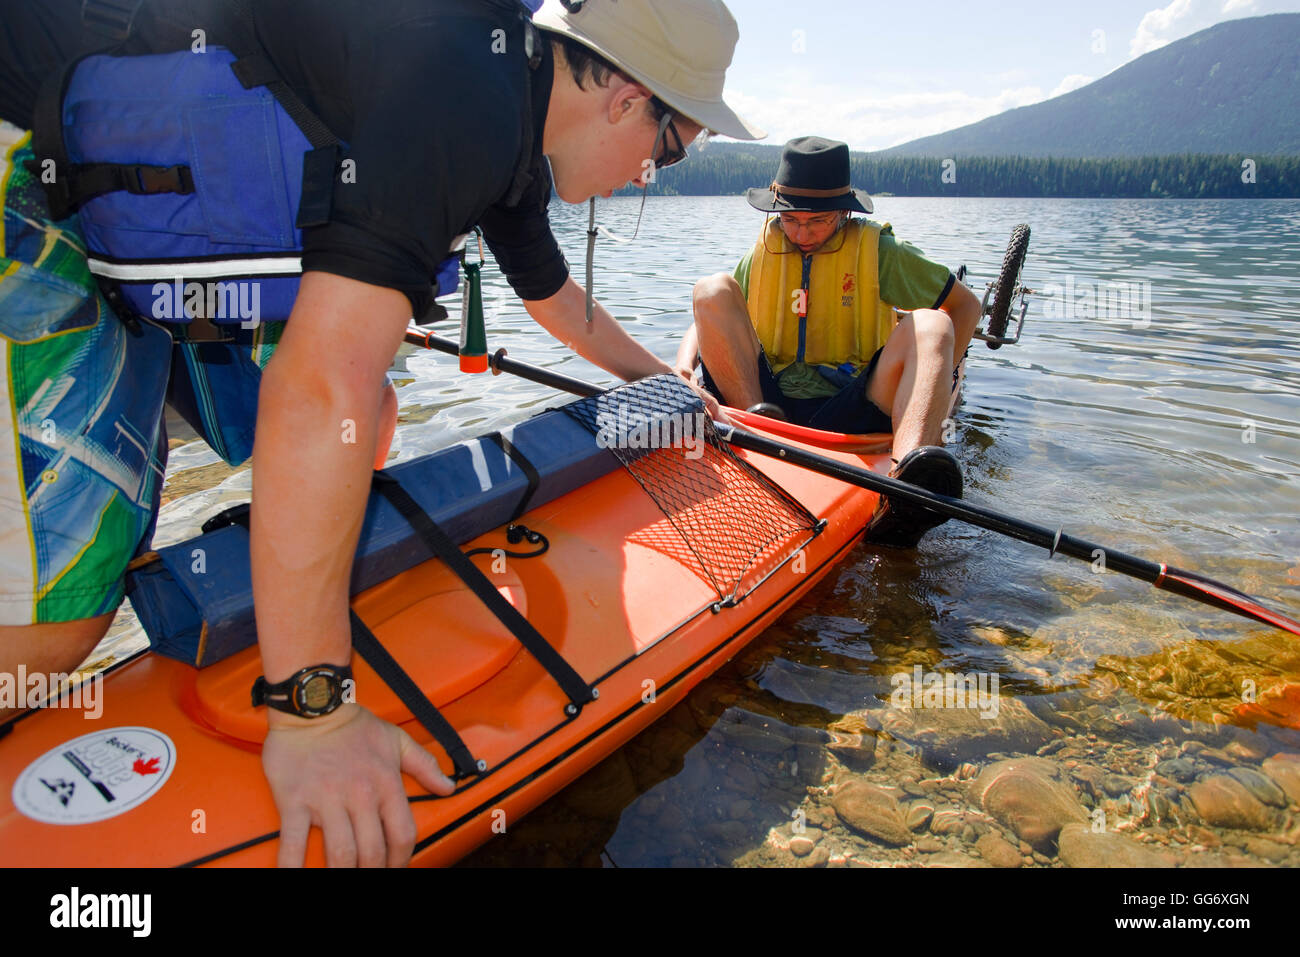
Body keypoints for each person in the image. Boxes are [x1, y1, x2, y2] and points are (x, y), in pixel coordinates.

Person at [0, 0, 762, 866]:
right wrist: (312, 706)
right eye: (671, 148)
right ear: (627, 97)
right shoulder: (465, 89)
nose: (648, 176)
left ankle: (301, 602)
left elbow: (558, 305)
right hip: (25, 149)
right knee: (56, 597)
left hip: (106, 203)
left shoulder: (510, 117)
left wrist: (672, 389)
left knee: (373, 418)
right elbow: (321, 385)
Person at [675, 136, 981, 546]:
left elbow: (965, 307)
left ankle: (905, 483)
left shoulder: (881, 252)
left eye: (817, 220)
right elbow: (710, 317)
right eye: (791, 220)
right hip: (768, 404)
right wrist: (683, 367)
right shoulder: (765, 249)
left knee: (932, 325)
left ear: (842, 212)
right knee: (711, 288)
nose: (802, 232)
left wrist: (943, 382)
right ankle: (759, 435)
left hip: (853, 401)